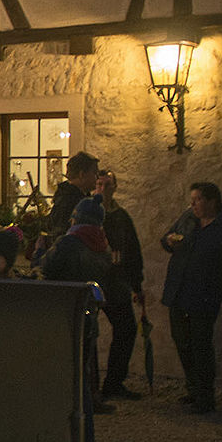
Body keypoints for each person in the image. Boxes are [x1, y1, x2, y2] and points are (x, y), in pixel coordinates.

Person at [160, 181, 222, 414]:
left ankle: (205, 396)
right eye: (192, 200)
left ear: (212, 201)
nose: (193, 204)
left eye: (198, 200)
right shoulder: (188, 219)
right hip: (179, 290)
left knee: (201, 344)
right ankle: (193, 389)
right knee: (182, 340)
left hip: (204, 293)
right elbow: (167, 239)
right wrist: (169, 241)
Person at [40, 195, 116, 424]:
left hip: (64, 311)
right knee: (84, 364)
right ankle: (87, 414)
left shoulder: (69, 242)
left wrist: (38, 251)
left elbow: (46, 267)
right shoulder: (102, 246)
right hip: (88, 312)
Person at [97, 170, 146, 400]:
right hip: (95, 280)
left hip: (116, 283)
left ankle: (114, 382)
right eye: (99, 184)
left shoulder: (122, 217)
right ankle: (89, 386)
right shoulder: (88, 213)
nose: (103, 189)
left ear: (115, 187)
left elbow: (133, 252)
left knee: (126, 330)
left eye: (108, 185)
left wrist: (137, 285)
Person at [46, 150, 99, 238]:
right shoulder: (68, 201)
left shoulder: (82, 197)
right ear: (82, 174)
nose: (97, 177)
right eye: (94, 173)